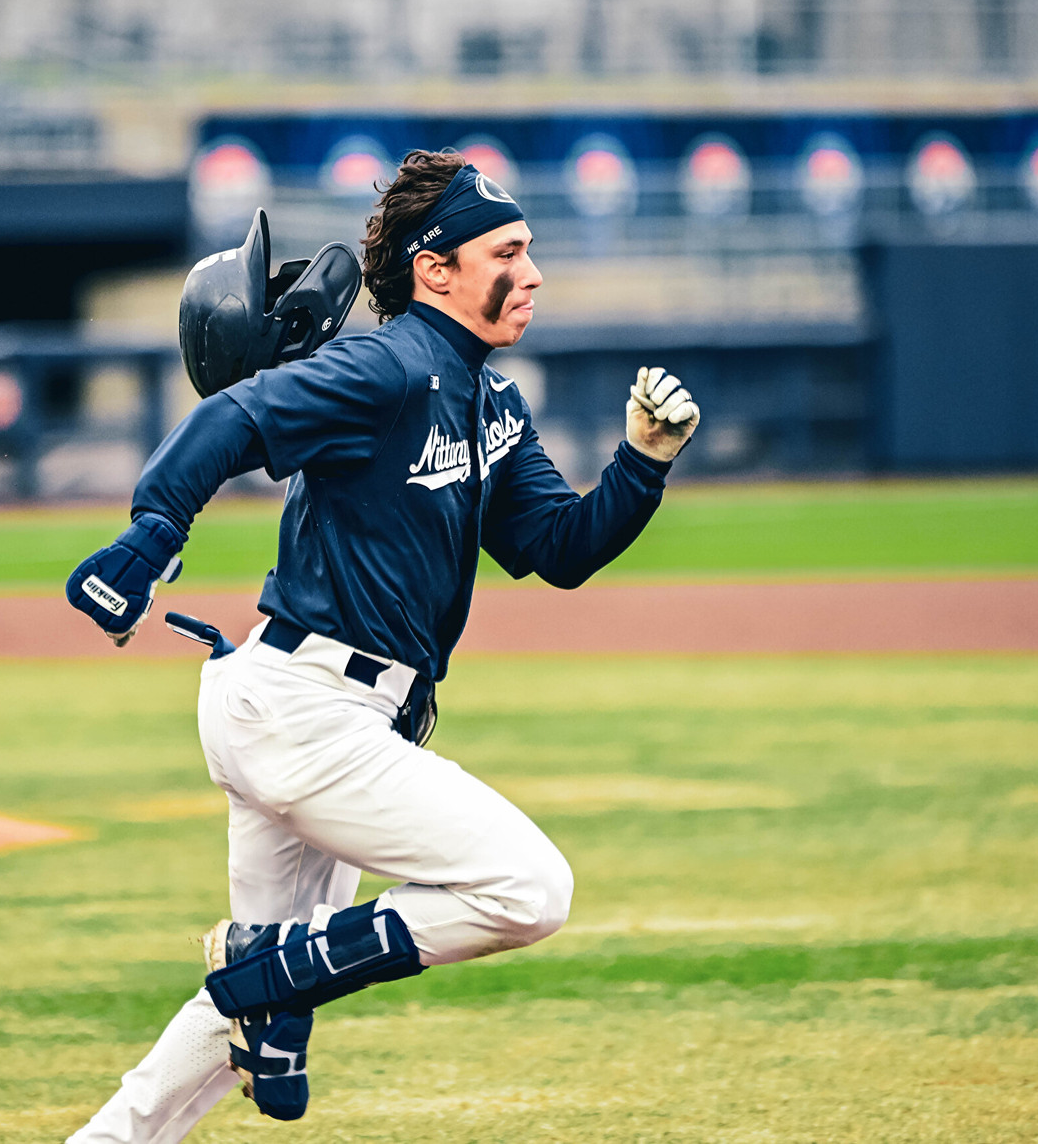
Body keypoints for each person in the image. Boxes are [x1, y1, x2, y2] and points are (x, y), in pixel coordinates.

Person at [62, 150, 702, 1140]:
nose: (531, 272)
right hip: (307, 711)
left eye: (529, 250)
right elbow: (234, 416)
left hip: (315, 711)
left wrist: (641, 465)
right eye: (507, 253)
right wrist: (152, 535)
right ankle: (268, 970)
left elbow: (559, 547)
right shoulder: (389, 366)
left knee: (246, 1003)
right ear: (434, 269)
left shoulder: (490, 401)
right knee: (529, 888)